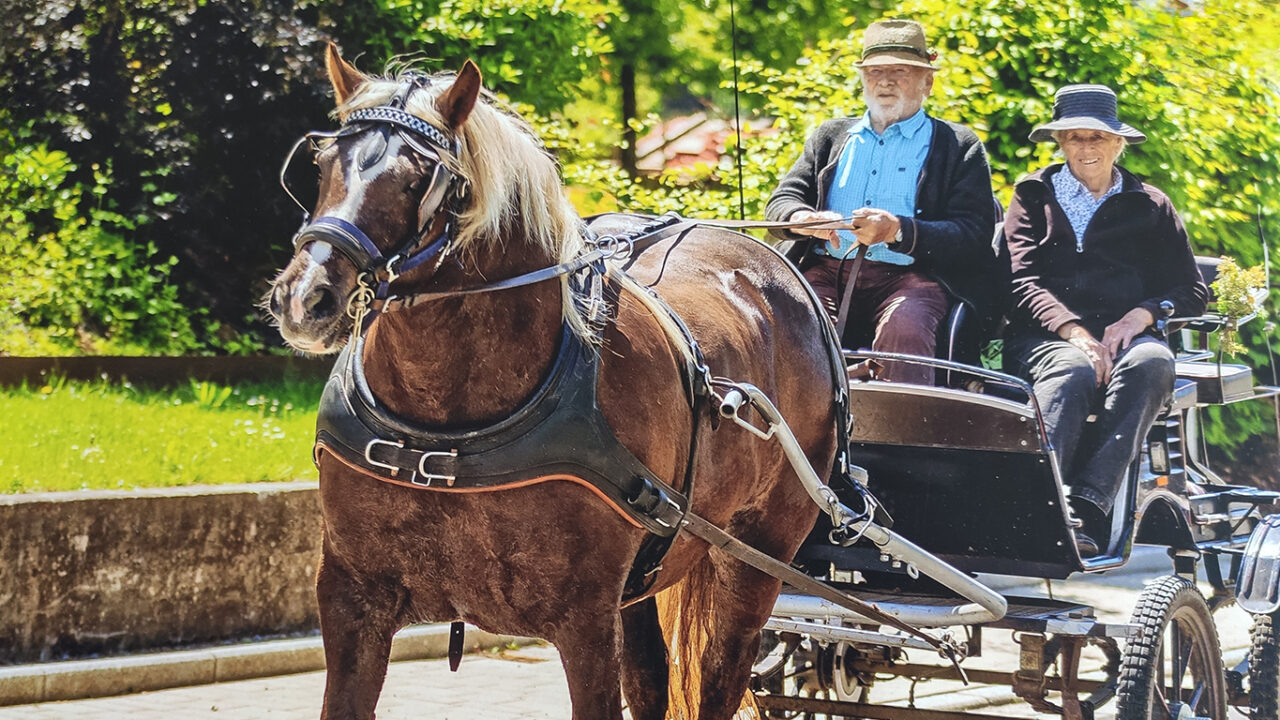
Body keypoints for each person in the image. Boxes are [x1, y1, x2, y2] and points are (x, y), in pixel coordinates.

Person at [1003, 84, 1208, 556]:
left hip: (1129, 336)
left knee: (1152, 364)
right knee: (1073, 371)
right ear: (1059, 143)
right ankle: (1038, 503)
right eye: (1074, 137)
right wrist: (1074, 333)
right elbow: (1020, 281)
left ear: (1118, 143)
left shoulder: (1151, 204)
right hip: (1045, 337)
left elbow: (1190, 289)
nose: (1086, 148)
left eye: (1097, 137)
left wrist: (1141, 315)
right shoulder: (1032, 195)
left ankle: (1089, 507)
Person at [766, 19, 1002, 385]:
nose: (885, 81)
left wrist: (898, 231)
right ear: (863, 79)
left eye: (899, 71)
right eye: (876, 71)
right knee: (796, 323)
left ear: (927, 82)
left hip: (911, 277)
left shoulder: (957, 145)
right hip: (828, 271)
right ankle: (795, 436)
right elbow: (783, 199)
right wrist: (801, 217)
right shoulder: (831, 136)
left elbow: (973, 233)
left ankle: (899, 440)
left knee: (905, 330)